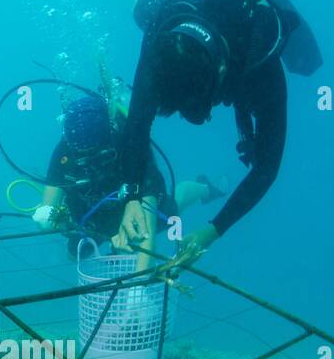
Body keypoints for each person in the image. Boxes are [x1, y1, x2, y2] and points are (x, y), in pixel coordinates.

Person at [115, 0, 320, 269]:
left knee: (146, 6)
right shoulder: (159, 40)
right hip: (178, 19)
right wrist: (131, 196)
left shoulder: (261, 66)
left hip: (237, 47)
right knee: (144, 6)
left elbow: (267, 168)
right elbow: (136, 125)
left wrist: (212, 230)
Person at [32, 92, 223, 269]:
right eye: (82, 156)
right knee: (74, 255)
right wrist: (49, 218)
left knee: (172, 211)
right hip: (92, 216)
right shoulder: (64, 152)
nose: (91, 163)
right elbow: (49, 205)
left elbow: (147, 239)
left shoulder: (132, 148)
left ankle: (206, 189)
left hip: (135, 208)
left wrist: (137, 293)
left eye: (97, 156)